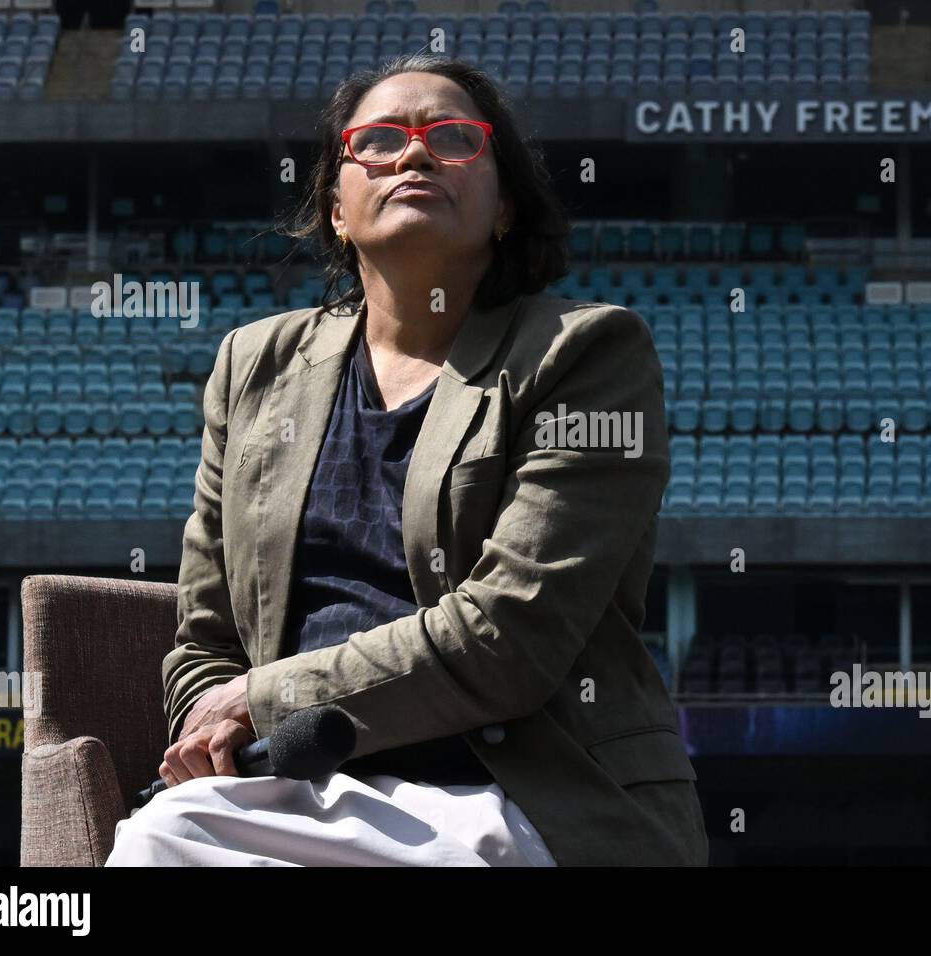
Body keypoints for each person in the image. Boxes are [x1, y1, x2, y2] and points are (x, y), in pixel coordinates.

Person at [107, 53, 707, 867]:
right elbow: (206, 637)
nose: (416, 154)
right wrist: (205, 729)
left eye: (455, 139)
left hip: (513, 795)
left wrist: (265, 697)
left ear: (503, 209)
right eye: (381, 141)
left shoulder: (588, 354)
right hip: (287, 786)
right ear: (337, 210)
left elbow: (509, 639)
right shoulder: (255, 363)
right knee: (154, 843)